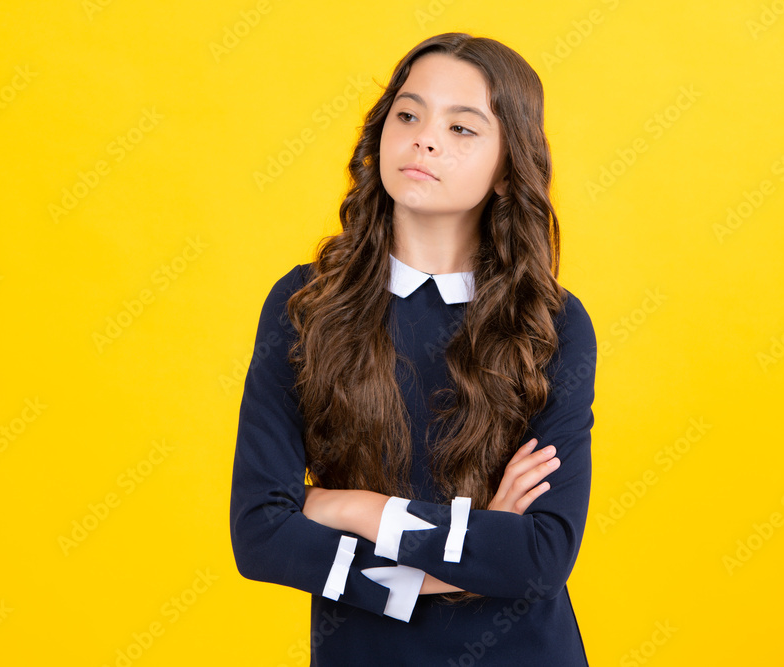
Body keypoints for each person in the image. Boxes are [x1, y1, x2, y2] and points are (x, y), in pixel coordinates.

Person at [230, 32, 596, 665]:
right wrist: (471, 552)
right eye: (408, 114)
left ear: (509, 171)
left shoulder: (551, 323)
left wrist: (346, 505)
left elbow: (539, 558)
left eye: (462, 128)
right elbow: (260, 535)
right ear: (381, 135)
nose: (425, 137)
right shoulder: (305, 305)